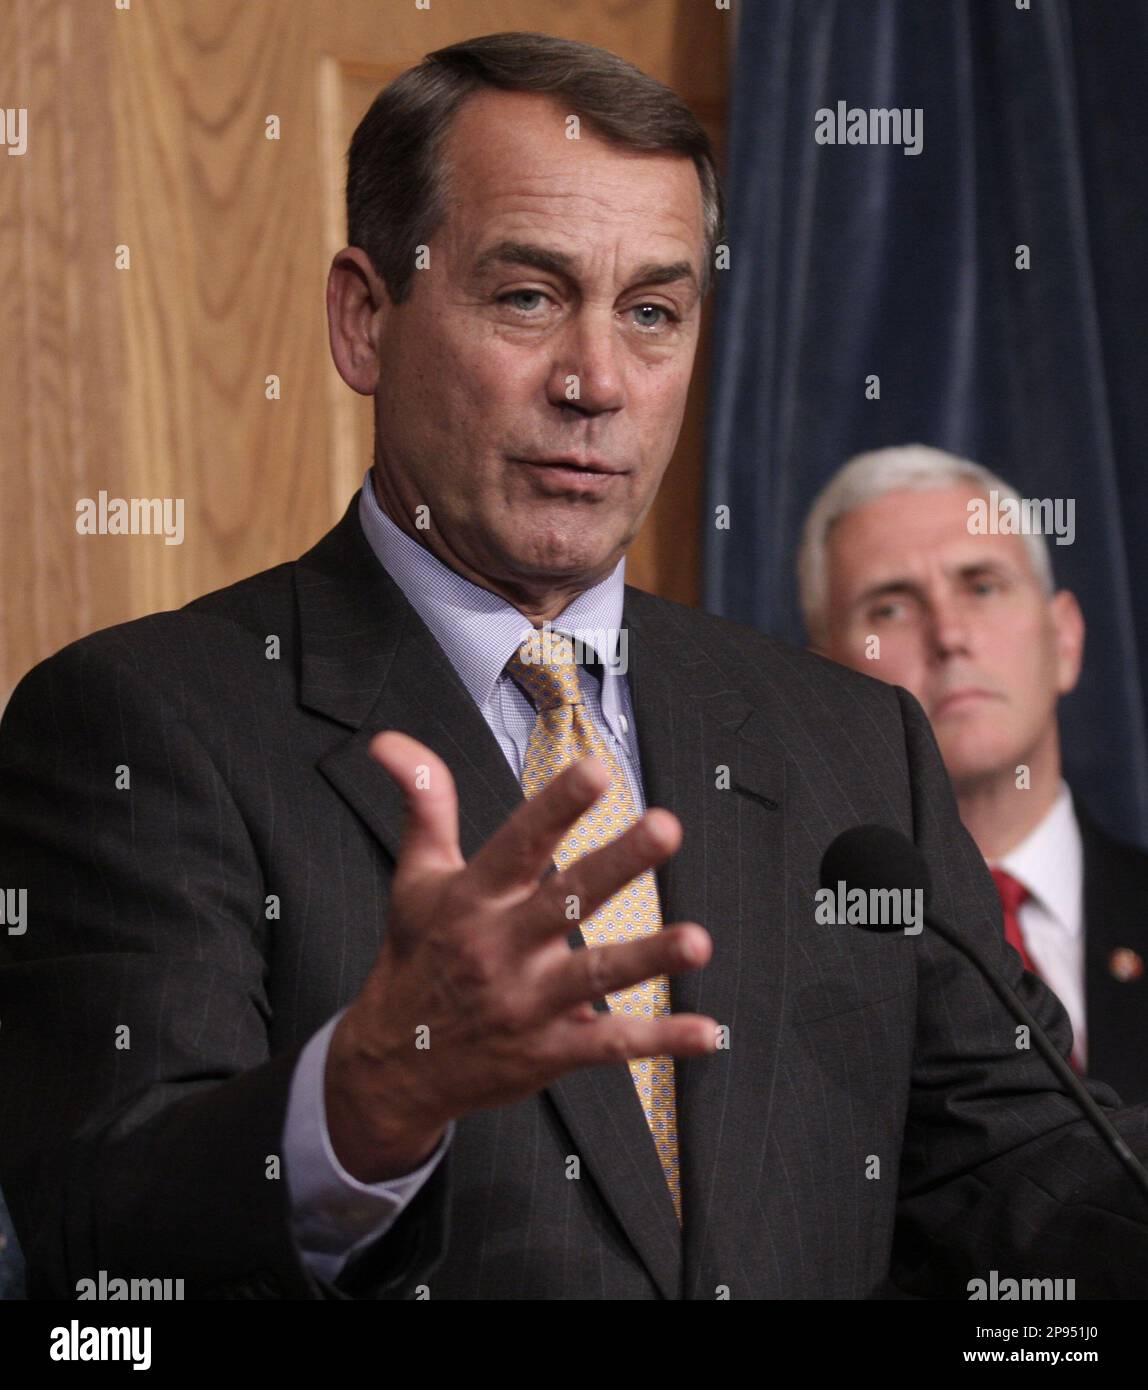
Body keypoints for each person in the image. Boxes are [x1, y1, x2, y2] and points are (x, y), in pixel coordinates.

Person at [2, 33, 1147, 1302]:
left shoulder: (851, 744)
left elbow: (1022, 1180)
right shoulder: (143, 722)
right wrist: (370, 1094)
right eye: (527, 296)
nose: (597, 381)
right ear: (363, 317)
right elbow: (99, 1249)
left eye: (651, 312)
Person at [798, 444, 1148, 1104]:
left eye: (982, 586)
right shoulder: (790, 967)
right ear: (825, 683)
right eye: (891, 608)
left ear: (1065, 639)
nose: (949, 634)